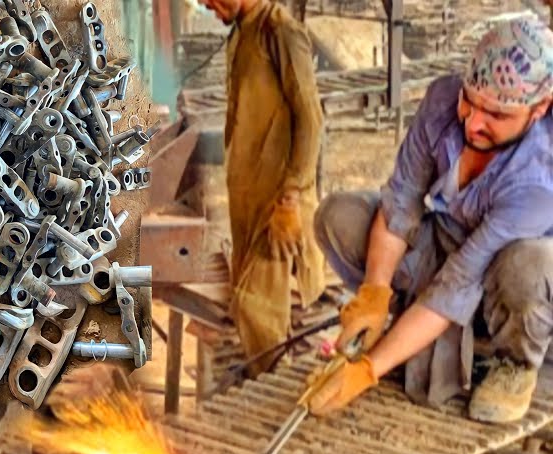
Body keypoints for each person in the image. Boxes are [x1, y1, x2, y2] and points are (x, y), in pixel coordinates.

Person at [309, 17, 553, 423]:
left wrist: (369, 370)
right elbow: (401, 204)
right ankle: (400, 322)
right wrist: (374, 293)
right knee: (340, 216)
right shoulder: (443, 100)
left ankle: (514, 362)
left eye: (495, 114)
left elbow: (460, 280)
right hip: (445, 240)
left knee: (530, 265)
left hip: (506, 282)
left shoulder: (539, 178)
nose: (473, 123)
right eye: (470, 101)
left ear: (539, 109)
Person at [197, 0, 326, 376]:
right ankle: (273, 377)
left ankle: (276, 386)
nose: (206, 5)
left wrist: (290, 198)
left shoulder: (280, 32)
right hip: (249, 199)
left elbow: (311, 119)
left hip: (277, 205)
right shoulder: (243, 31)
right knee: (256, 311)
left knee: (257, 307)